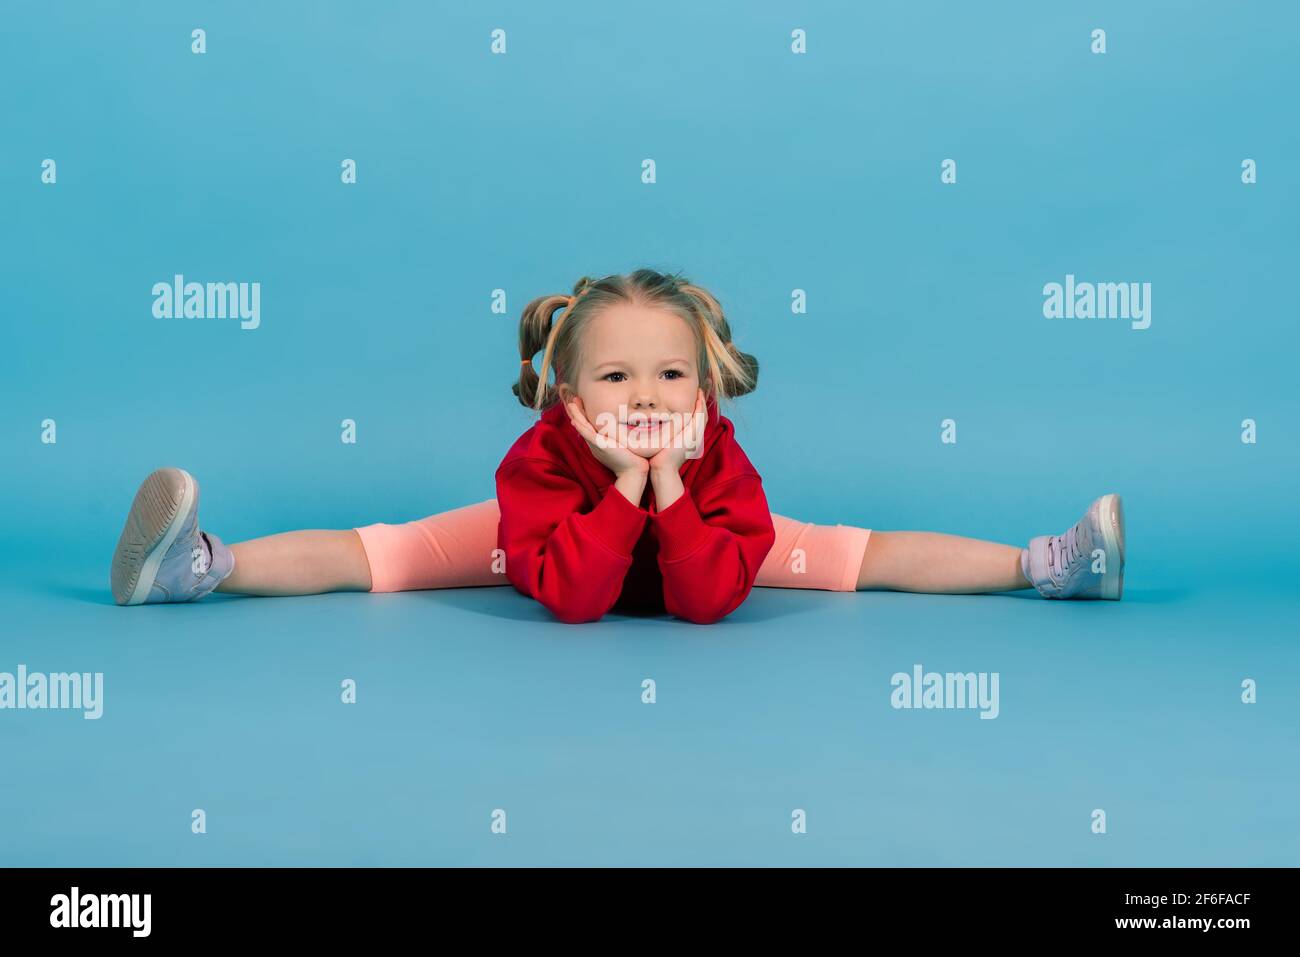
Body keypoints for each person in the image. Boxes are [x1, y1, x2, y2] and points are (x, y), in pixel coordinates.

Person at [109, 268, 1125, 618]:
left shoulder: (718, 460)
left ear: (707, 387)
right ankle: (202, 568)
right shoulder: (539, 462)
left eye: (671, 376)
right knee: (372, 552)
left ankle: (1051, 566)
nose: (646, 396)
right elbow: (579, 601)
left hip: (704, 541)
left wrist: (674, 491)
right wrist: (615, 489)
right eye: (615, 377)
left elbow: (705, 603)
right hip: (541, 547)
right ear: (564, 394)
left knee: (875, 556)